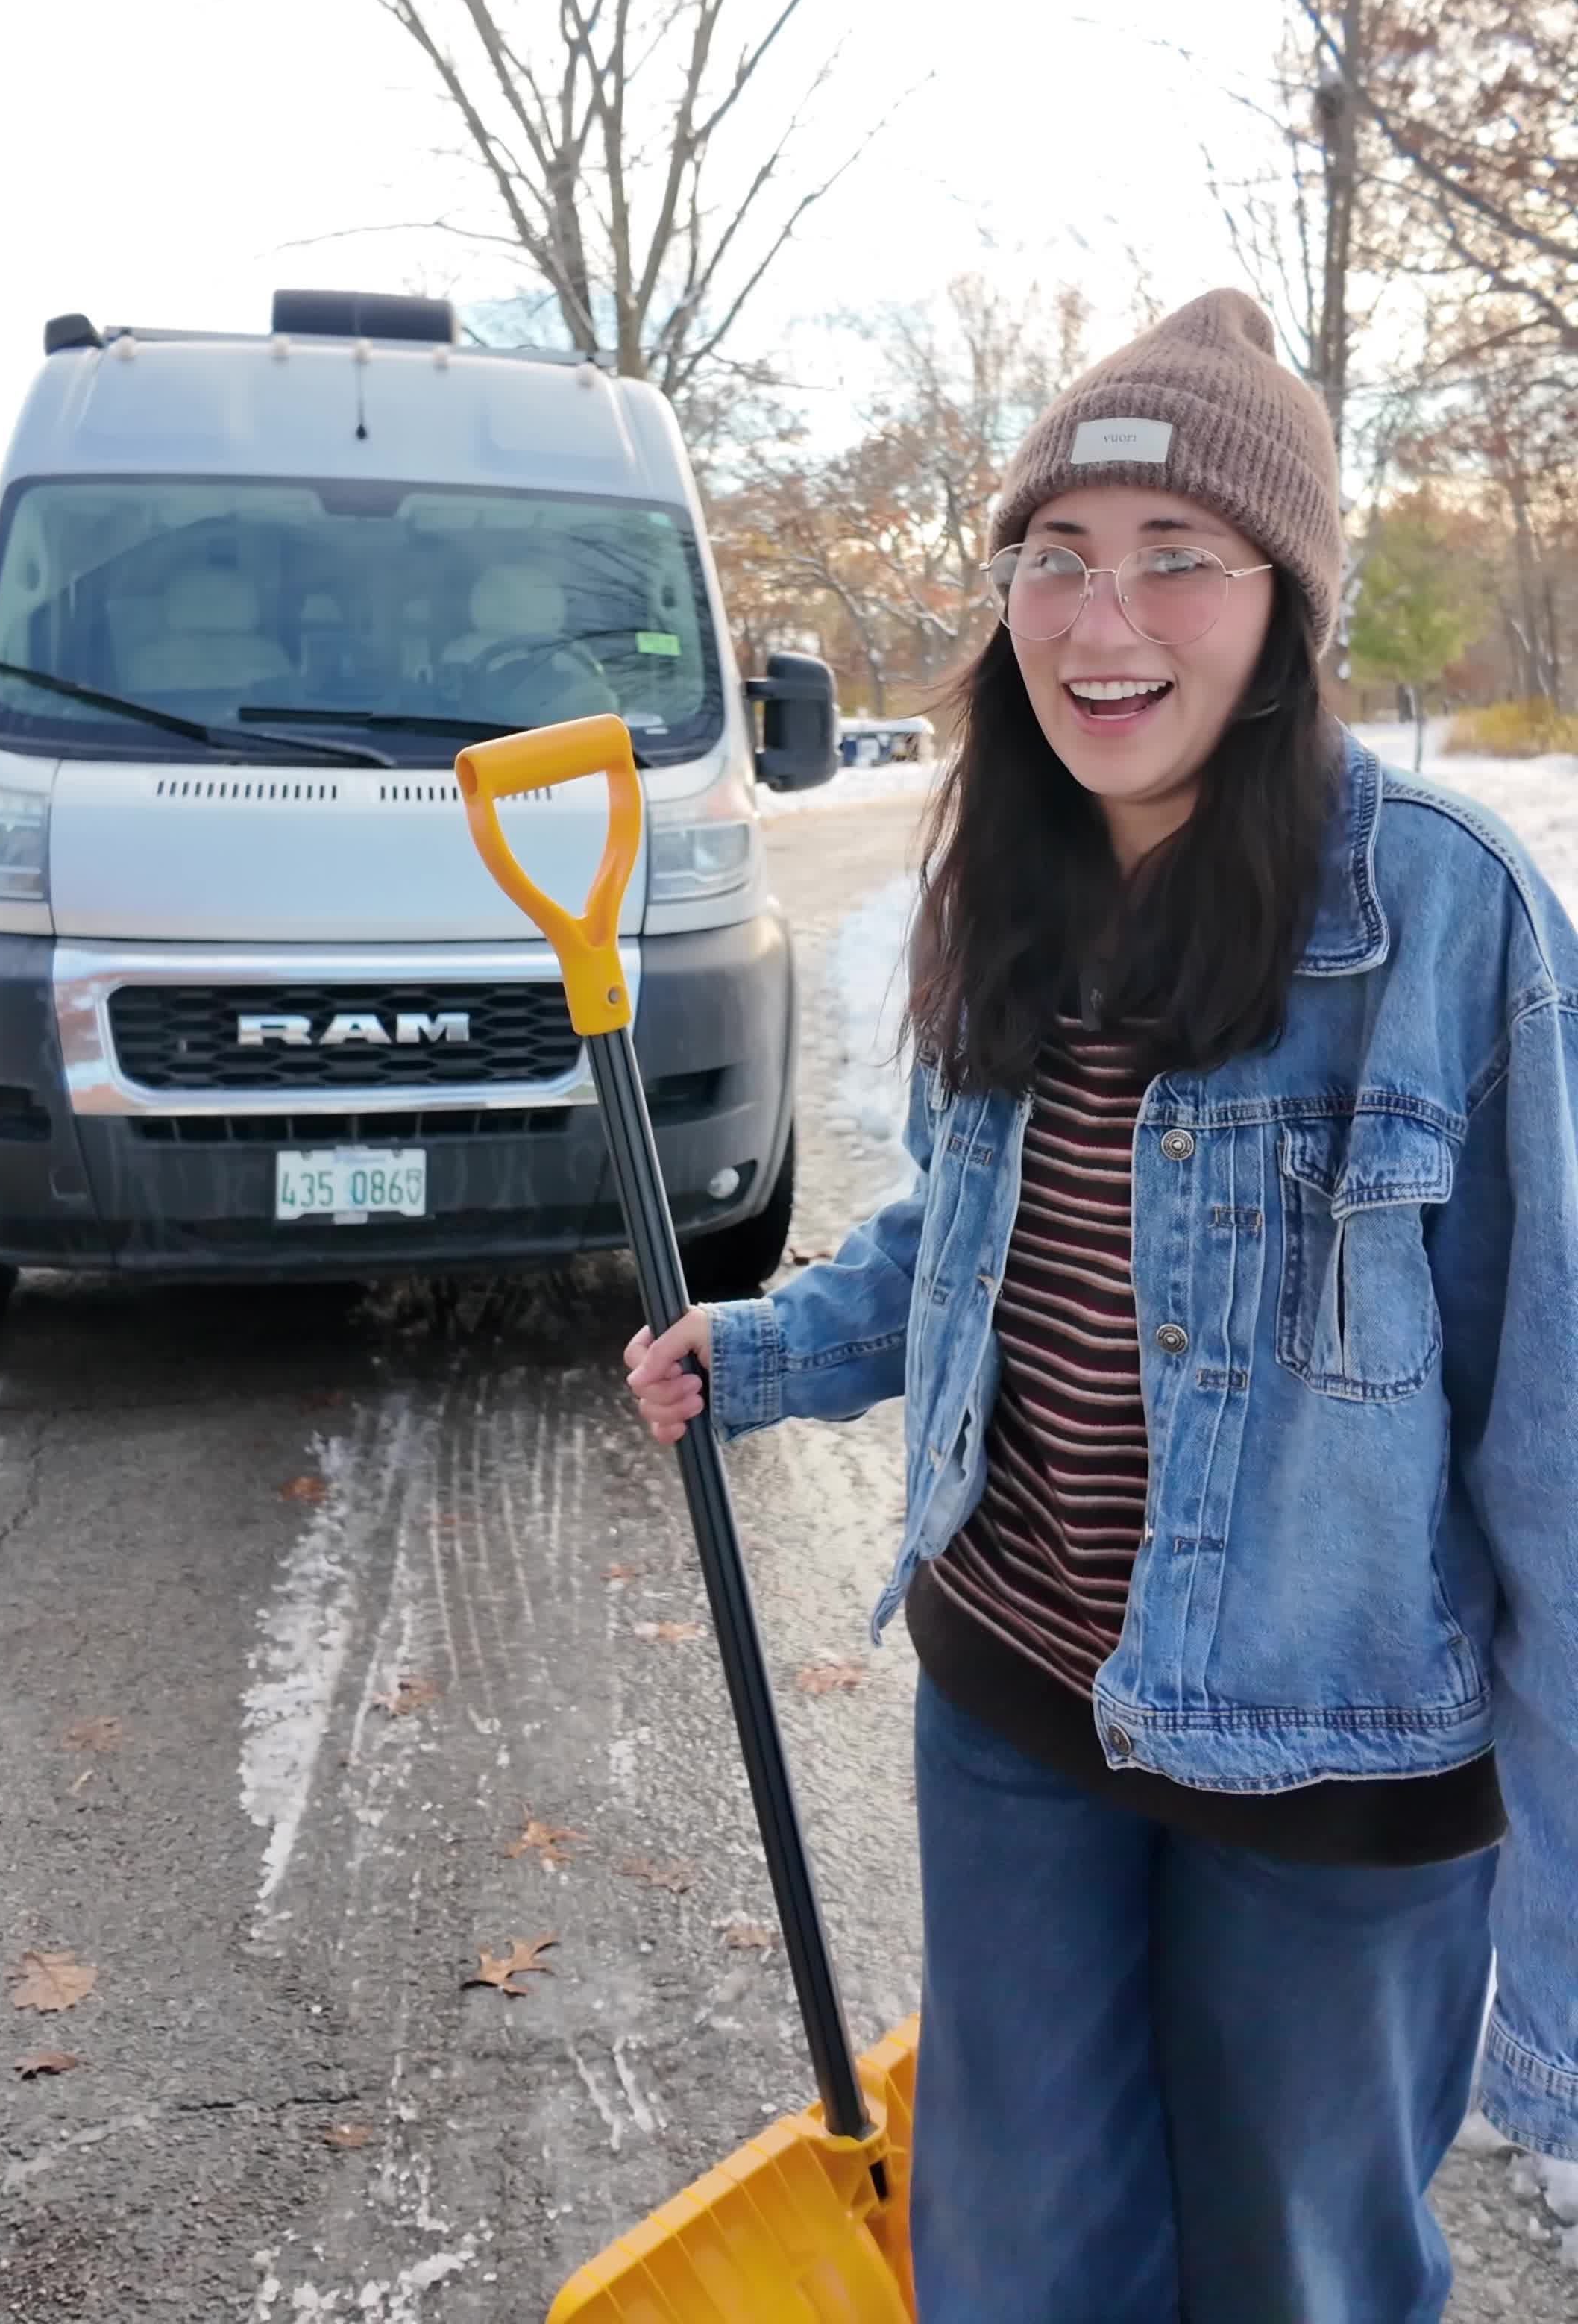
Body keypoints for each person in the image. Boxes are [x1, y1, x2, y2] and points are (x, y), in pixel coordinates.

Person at [625, 289, 1578, 2324]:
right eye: (1054, 558)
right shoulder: (1015, 879)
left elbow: (1556, 1455)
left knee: (1296, 2281)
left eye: (1173, 558)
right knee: (1014, 2264)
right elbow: (964, 1250)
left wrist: (1564, 1962)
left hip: (1336, 1773)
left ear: (1287, 601)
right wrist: (772, 1345)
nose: (1099, 619)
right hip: (1016, 1715)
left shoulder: (1445, 921)